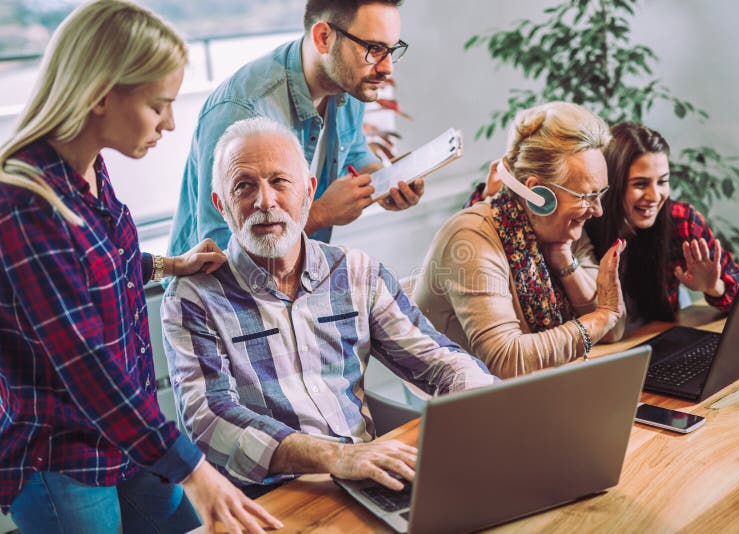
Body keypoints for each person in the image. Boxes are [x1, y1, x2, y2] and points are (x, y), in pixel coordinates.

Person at [0, 2, 282, 532]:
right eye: (158, 106)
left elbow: (98, 266)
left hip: (124, 438)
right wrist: (193, 469)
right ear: (101, 95)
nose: (169, 123)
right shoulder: (23, 204)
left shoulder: (89, 167)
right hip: (64, 458)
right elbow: (86, 364)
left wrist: (173, 264)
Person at [161, 117, 496, 494]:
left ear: (308, 191)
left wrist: (484, 406)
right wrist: (336, 456)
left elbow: (441, 360)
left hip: (370, 480)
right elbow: (210, 419)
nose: (265, 201)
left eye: (279, 181)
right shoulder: (193, 297)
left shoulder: (357, 272)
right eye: (244, 186)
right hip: (268, 499)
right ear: (221, 205)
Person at [167, 0, 424, 258]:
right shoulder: (241, 111)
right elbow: (222, 252)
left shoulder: (348, 82)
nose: (387, 68)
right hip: (211, 282)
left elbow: (354, 151)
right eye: (374, 49)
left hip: (289, 274)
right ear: (323, 38)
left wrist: (385, 181)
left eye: (391, 50)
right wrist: (321, 214)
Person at [413, 102, 627, 379]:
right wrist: (601, 316)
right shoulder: (471, 238)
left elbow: (612, 330)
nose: (597, 210)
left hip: (538, 390)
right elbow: (506, 360)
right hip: (468, 399)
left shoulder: (564, 230)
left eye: (601, 194)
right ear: (538, 194)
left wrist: (565, 262)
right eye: (587, 196)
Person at [584, 121, 739, 328]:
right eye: (640, 184)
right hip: (605, 342)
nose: (655, 196)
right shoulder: (584, 225)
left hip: (661, 336)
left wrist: (714, 287)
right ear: (612, 183)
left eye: (662, 181)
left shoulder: (682, 221)